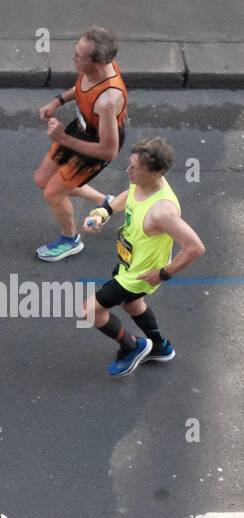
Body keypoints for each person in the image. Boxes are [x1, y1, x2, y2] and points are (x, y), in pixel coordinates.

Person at [80, 137, 206, 377]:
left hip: (138, 276)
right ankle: (159, 347)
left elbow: (195, 247)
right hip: (130, 264)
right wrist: (103, 212)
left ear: (156, 173)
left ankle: (132, 346)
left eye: (135, 169)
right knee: (132, 304)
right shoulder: (144, 182)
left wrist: (161, 274)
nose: (128, 172)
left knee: (89, 310)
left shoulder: (162, 212)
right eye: (129, 165)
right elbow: (130, 195)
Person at [33, 27, 128, 262]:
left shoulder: (108, 100)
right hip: (81, 129)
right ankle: (104, 201)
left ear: (99, 63)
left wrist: (63, 138)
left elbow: (109, 151)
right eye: (75, 51)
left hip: (95, 147)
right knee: (42, 180)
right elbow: (81, 87)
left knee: (53, 193)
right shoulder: (93, 70)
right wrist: (58, 101)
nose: (73, 59)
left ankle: (70, 240)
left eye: (79, 57)